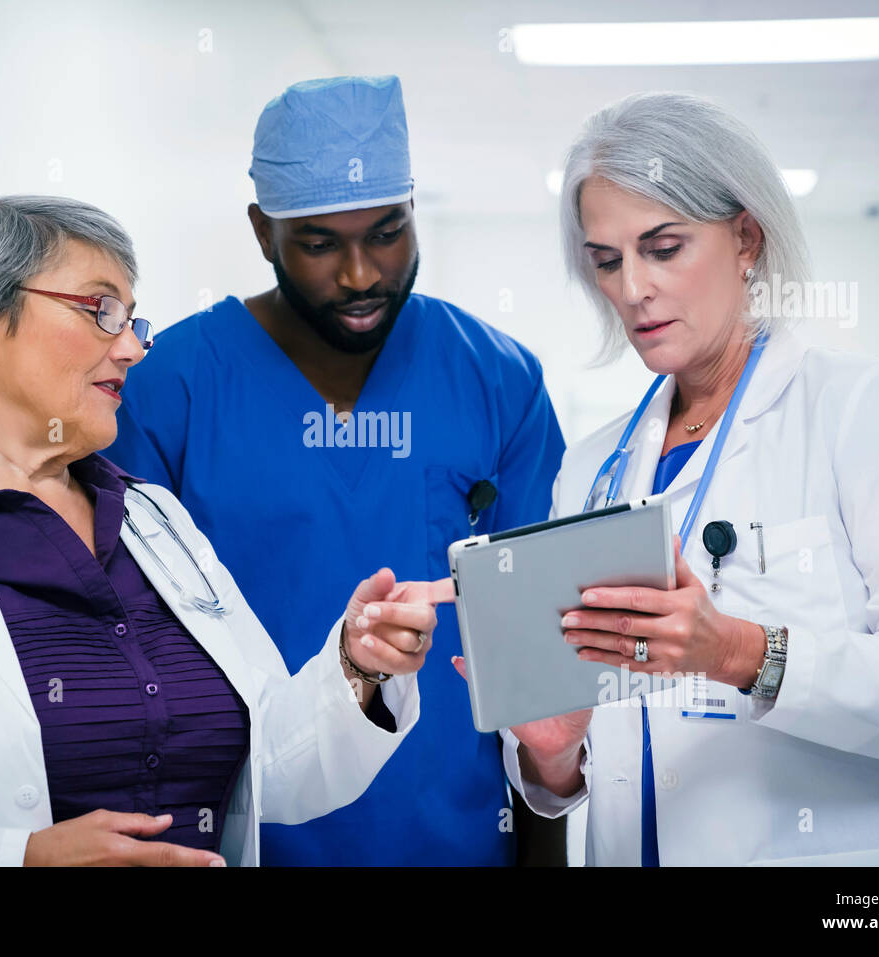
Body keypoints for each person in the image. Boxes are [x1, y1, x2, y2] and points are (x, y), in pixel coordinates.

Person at [0, 195, 452, 866]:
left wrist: (358, 668)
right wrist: (16, 859)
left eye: (133, 319)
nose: (132, 347)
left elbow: (273, 775)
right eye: (101, 310)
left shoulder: (159, 524)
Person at [458, 91, 879, 866]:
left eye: (664, 246)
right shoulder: (592, 468)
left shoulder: (867, 407)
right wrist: (554, 749)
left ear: (745, 237)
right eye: (607, 260)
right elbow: (573, 778)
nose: (632, 288)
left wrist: (739, 651)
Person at [104, 75, 567, 865]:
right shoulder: (168, 386)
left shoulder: (498, 381)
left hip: (458, 837)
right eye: (319, 243)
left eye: (387, 232)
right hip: (246, 836)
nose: (360, 274)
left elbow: (539, 663)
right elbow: (126, 653)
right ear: (262, 232)